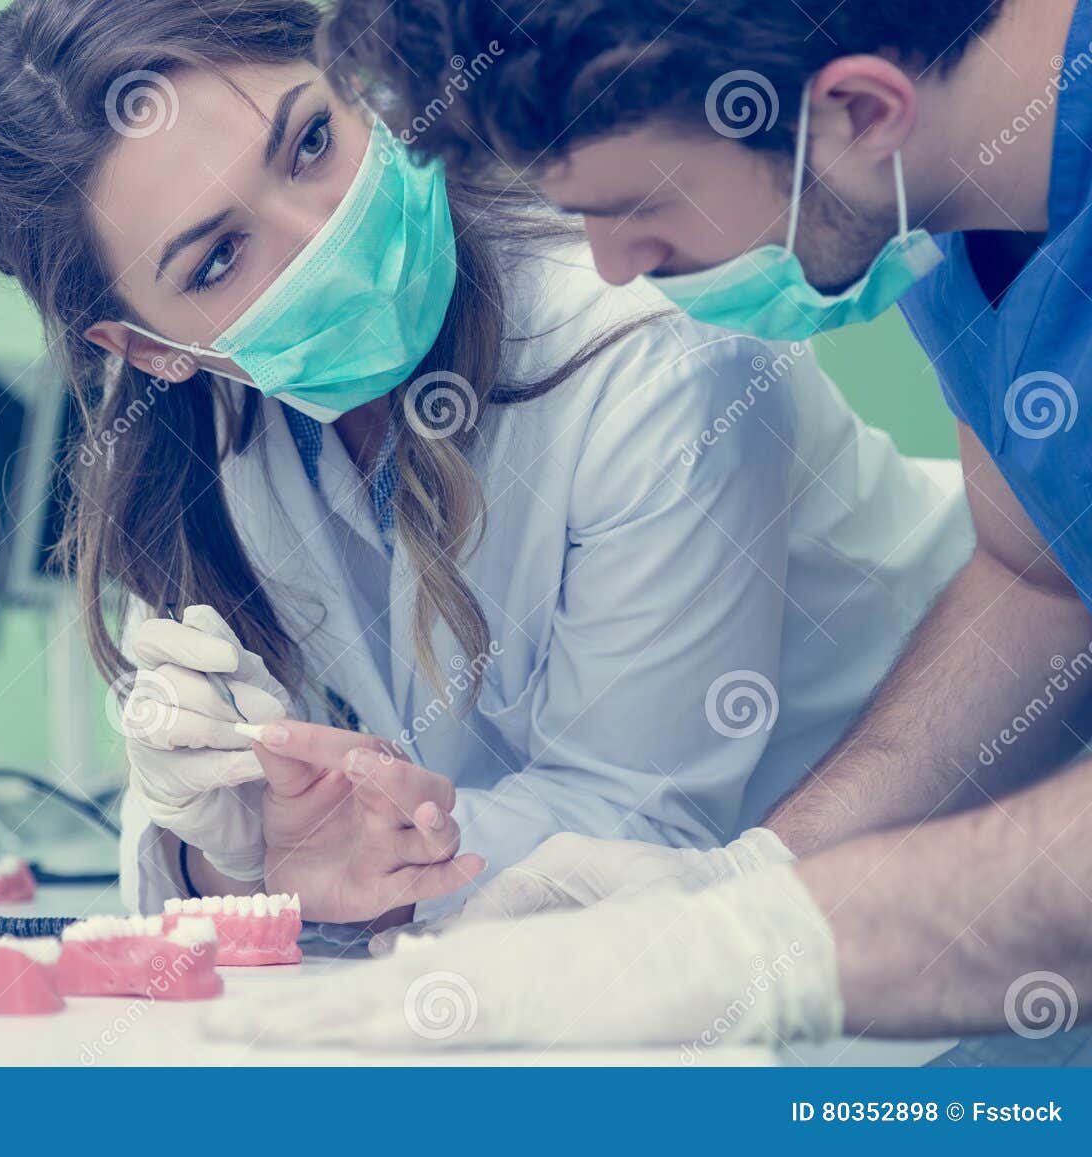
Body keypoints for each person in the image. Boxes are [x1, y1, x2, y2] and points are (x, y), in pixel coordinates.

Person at [0, 0, 971, 937]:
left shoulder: (650, 342)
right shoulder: (204, 436)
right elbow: (196, 803)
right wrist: (225, 855)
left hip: (916, 907)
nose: (318, 238)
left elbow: (639, 825)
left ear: (352, 82)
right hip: (635, 964)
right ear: (150, 349)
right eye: (218, 260)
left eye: (309, 143)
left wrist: (330, 863)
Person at [207, 0, 1092, 1051]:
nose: (613, 267)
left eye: (636, 208)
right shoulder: (940, 208)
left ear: (859, 111)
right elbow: (1036, 578)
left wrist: (766, 943)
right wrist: (759, 873)